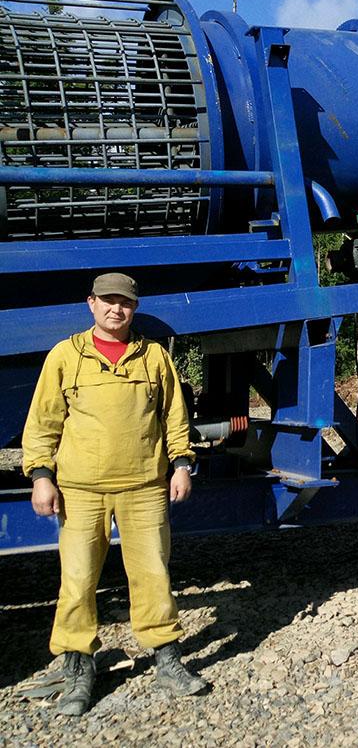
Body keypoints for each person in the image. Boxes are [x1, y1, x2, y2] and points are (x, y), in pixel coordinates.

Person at [22, 272, 207, 716]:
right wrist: (42, 476)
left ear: (134, 308)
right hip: (80, 491)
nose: (115, 309)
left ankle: (167, 661)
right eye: (106, 301)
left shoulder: (155, 357)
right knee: (77, 580)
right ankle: (78, 670)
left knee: (153, 574)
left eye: (123, 302)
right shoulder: (65, 356)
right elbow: (43, 421)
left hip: (144, 487)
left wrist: (182, 464)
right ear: (91, 304)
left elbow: (174, 417)